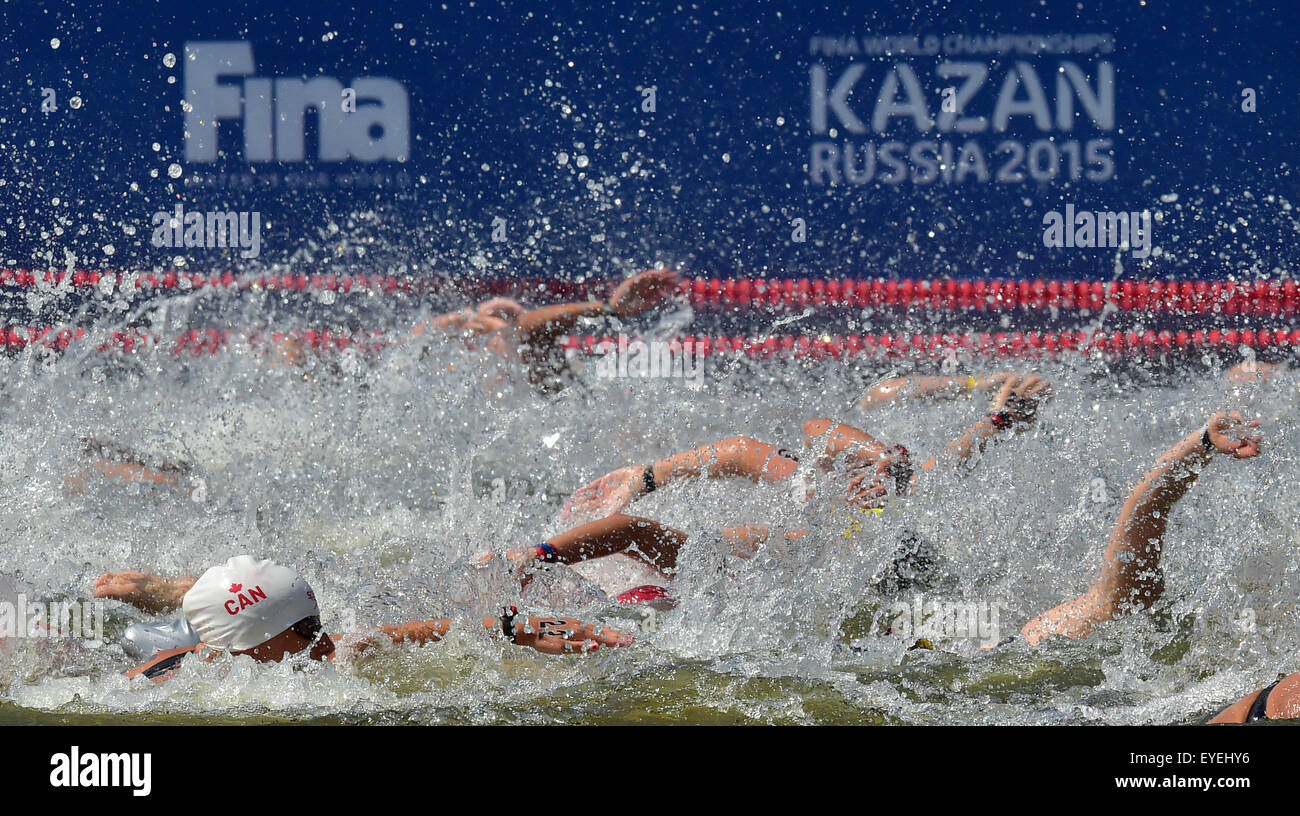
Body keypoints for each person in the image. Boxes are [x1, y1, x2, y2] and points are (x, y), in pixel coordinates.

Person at [493, 412, 1261, 660]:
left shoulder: (889, 522)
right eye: (857, 470)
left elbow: (1116, 581)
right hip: (882, 629)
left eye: (878, 472)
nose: (868, 479)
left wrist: (992, 421)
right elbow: (651, 520)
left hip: (934, 630)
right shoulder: (796, 531)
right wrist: (544, 553)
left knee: (1102, 608)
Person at [93, 555, 632, 683]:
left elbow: (443, 629)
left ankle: (177, 590)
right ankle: (170, 592)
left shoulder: (330, 649)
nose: (316, 638)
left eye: (312, 625)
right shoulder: (180, 670)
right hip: (151, 641)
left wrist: (521, 627)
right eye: (302, 631)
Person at [407, 268, 682, 392]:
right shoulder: (455, 381)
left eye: (503, 322)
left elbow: (527, 329)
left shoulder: (536, 367)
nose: (485, 326)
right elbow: (409, 348)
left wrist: (610, 307)